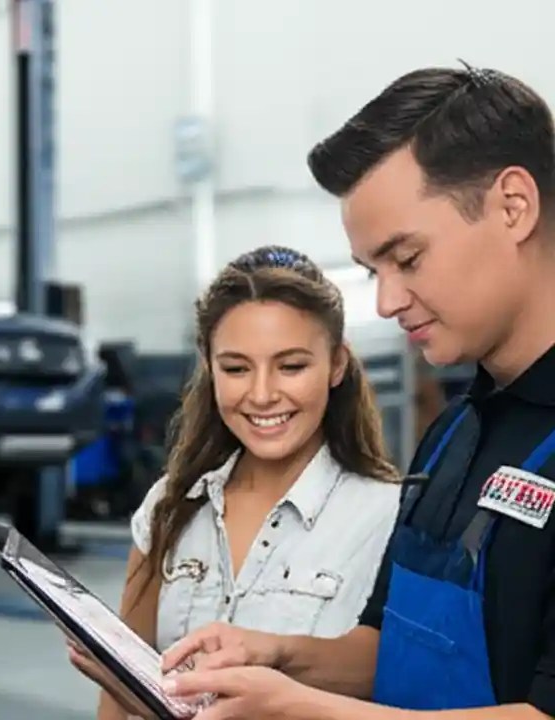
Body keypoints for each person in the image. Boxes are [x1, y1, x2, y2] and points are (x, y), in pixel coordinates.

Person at [148, 64, 555, 719]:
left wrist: (294, 709)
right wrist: (274, 654)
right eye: (373, 271)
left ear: (514, 206)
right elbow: (385, 648)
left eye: (408, 259)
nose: (389, 300)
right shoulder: (452, 435)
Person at [70, 244, 403, 719]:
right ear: (209, 367)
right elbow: (120, 700)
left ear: (337, 364)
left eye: (291, 366)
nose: (262, 394)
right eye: (236, 368)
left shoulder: (390, 518)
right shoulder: (170, 506)